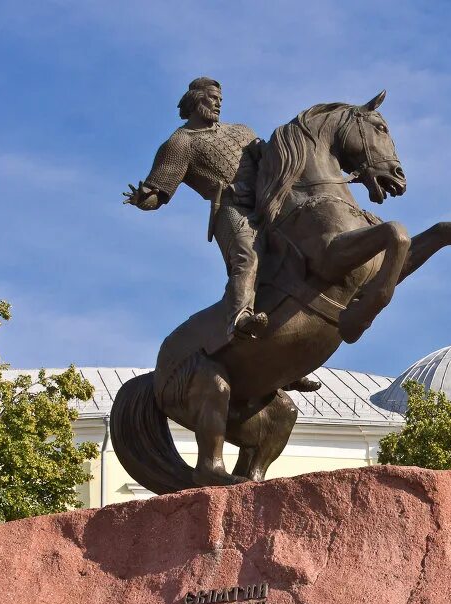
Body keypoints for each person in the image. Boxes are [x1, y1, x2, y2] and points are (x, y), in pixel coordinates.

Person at [124, 77, 319, 392]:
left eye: (220, 98)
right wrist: (143, 199)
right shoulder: (181, 143)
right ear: (196, 100)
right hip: (231, 210)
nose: (218, 103)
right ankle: (240, 319)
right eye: (213, 97)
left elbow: (271, 157)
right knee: (248, 253)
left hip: (267, 203)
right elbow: (158, 192)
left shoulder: (241, 131)